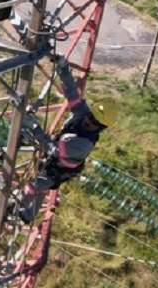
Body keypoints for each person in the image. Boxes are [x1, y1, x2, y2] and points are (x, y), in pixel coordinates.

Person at [15, 56, 118, 223]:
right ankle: (27, 213)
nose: (88, 120)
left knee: (35, 186)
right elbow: (71, 91)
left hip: (62, 168)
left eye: (93, 122)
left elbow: (51, 149)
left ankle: (16, 207)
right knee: (41, 185)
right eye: (91, 116)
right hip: (56, 156)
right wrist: (63, 68)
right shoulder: (83, 115)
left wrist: (35, 127)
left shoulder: (84, 144)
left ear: (100, 128)